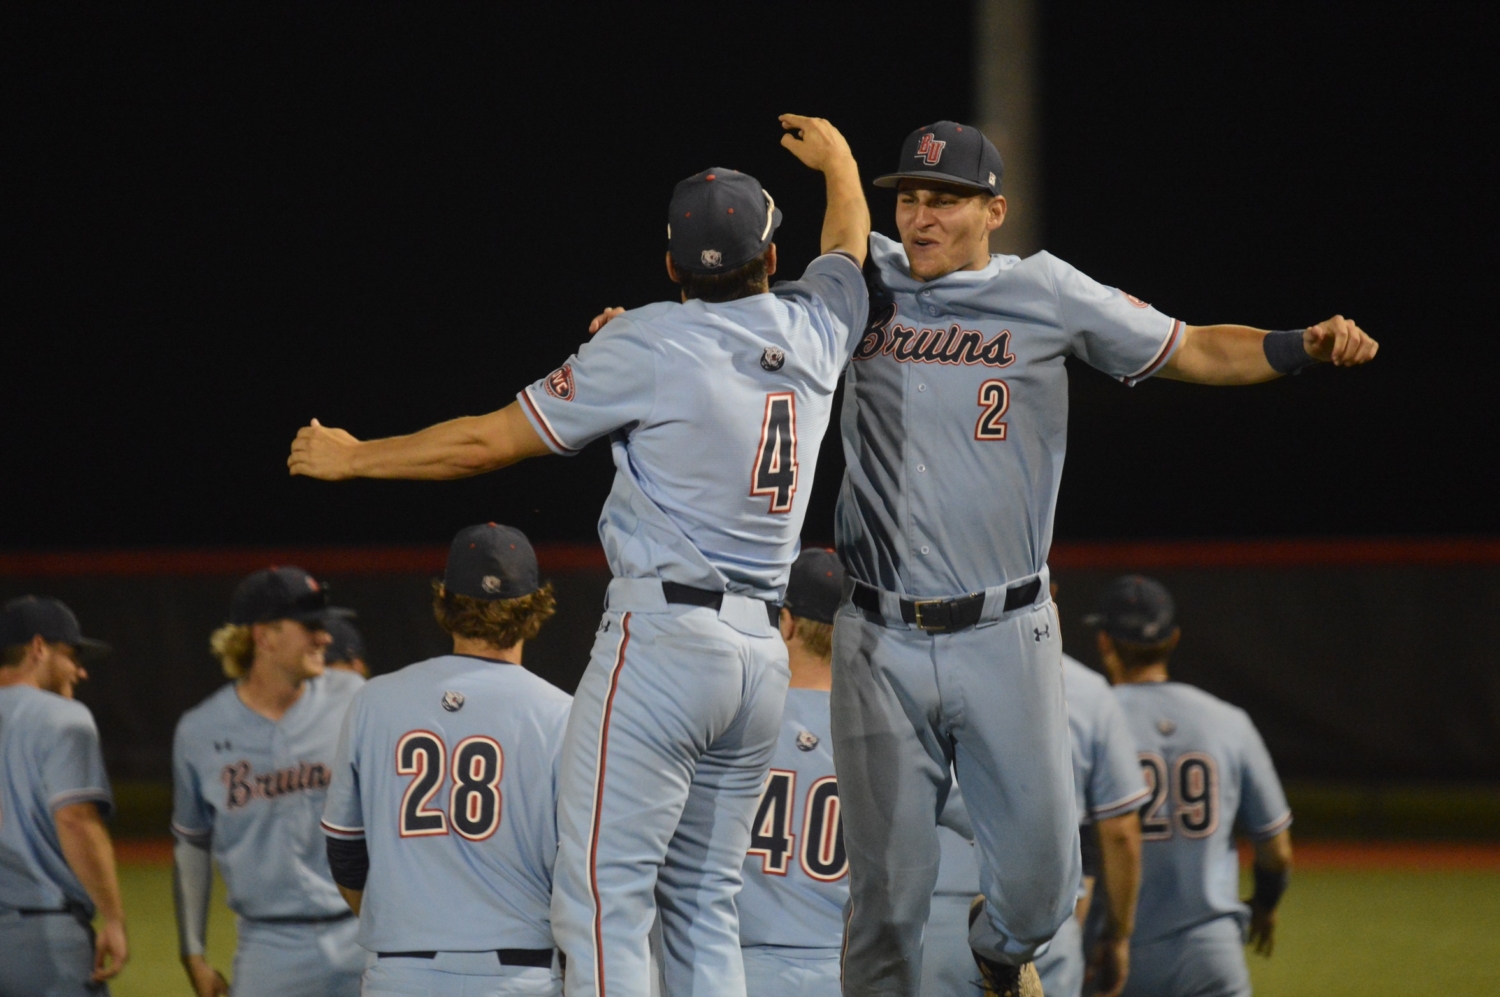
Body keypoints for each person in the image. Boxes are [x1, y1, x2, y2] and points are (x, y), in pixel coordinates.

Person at [286, 114, 870, 997]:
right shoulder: (817, 331)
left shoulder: (643, 340)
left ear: (673, 266)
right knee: (705, 901)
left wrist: (356, 455)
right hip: (759, 657)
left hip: (666, 640)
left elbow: (482, 443)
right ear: (771, 253)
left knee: (602, 897)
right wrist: (842, 165)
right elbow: (850, 249)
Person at [831, 119, 1376, 997]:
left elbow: (1192, 346)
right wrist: (652, 333)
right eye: (909, 197)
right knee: (885, 900)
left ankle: (1000, 955)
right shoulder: (862, 283)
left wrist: (1297, 345)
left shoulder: (1045, 291)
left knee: (1044, 890)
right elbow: (748, 333)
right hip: (876, 633)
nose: (921, 216)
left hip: (1004, 632)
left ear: (993, 212)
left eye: (945, 199)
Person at [322, 523, 572, 996]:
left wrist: (403, 926)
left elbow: (346, 854)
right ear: (535, 606)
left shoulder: (375, 700)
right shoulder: (564, 714)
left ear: (446, 602)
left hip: (403, 974)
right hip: (519, 975)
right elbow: (581, 868)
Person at [1088, 575, 1293, 997]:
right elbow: (1277, 850)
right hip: (1210, 955)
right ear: (1173, 638)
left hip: (1115, 957)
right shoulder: (1228, 721)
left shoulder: (1089, 721)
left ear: (1104, 642)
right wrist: (1266, 904)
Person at [170, 567, 365, 997]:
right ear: (264, 636)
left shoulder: (353, 698)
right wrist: (193, 954)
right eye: (311, 626)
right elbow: (191, 846)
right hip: (269, 949)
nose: (326, 637)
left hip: (364, 937)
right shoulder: (200, 730)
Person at [922, 647, 1147, 997]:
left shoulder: (915, 667)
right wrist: (1116, 933)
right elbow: (1117, 828)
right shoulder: (1087, 689)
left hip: (937, 920)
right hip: (1043, 920)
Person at [0, 595, 128, 995]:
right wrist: (113, 918)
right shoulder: (62, 717)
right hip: (40, 939)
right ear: (38, 648)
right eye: (72, 655)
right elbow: (75, 820)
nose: (81, 671)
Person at [736, 549, 847, 997]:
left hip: (738, 968)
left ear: (786, 623)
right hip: (842, 969)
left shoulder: (732, 721)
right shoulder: (885, 738)